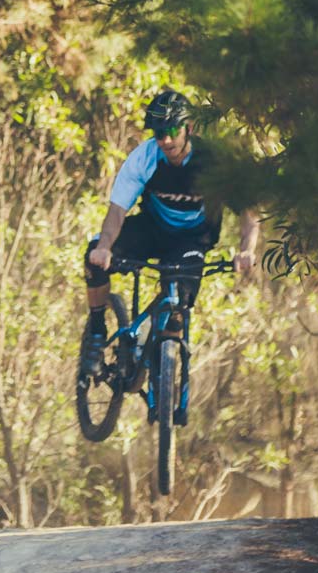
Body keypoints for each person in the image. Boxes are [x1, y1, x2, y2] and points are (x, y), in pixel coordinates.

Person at [81, 89, 260, 374]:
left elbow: (248, 214)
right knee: (93, 256)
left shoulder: (213, 162)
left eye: (172, 130)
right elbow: (117, 212)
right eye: (158, 132)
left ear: (188, 128)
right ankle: (97, 333)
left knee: (179, 305)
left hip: (192, 240)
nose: (165, 140)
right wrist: (104, 247)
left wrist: (247, 250)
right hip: (151, 230)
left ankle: (163, 374)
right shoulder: (144, 159)